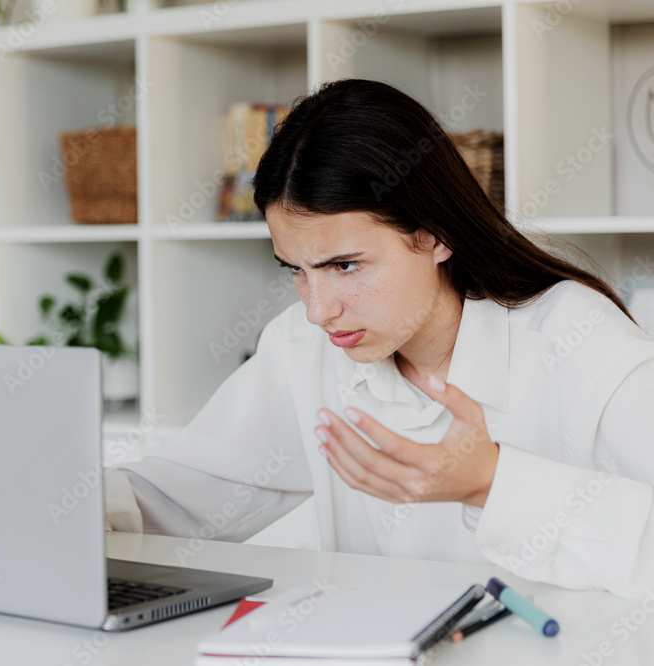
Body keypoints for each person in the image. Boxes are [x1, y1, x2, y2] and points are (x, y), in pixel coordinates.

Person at [104, 79, 654, 599]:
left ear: (436, 234)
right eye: (296, 270)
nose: (318, 310)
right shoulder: (304, 346)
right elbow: (174, 500)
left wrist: (491, 482)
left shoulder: (575, 339)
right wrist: (70, 501)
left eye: (345, 265)